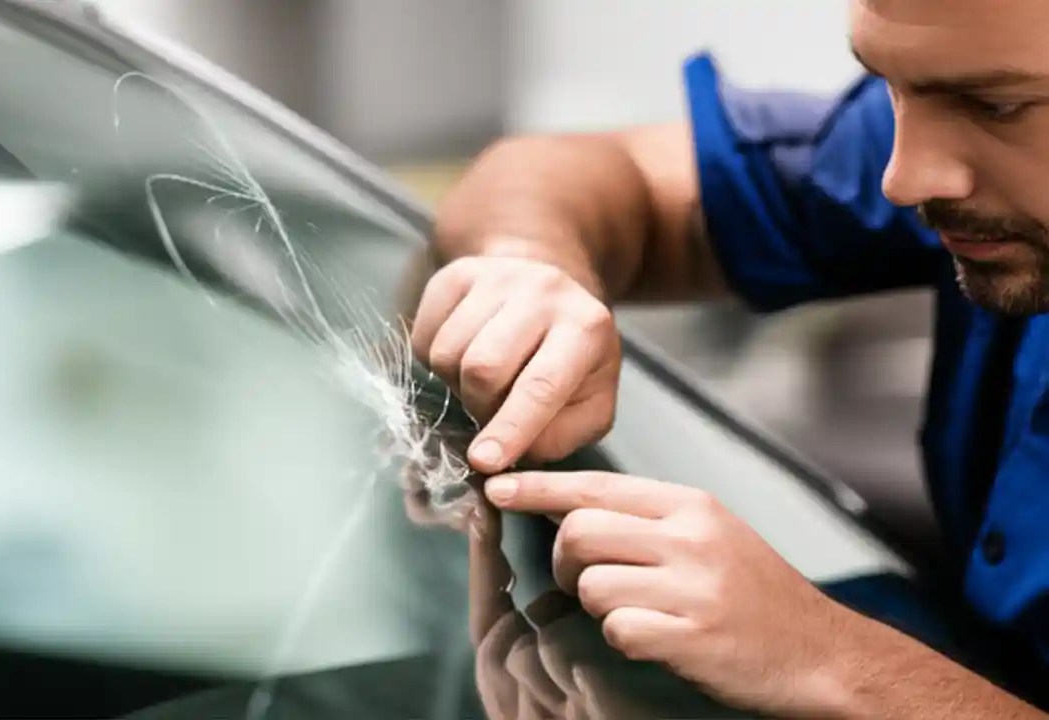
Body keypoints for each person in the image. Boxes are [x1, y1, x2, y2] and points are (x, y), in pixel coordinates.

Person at [412, 0, 1049, 717]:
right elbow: (582, 176)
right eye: (892, 87)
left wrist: (833, 659)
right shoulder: (943, 126)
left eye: (997, 105)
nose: (903, 179)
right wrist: (528, 271)